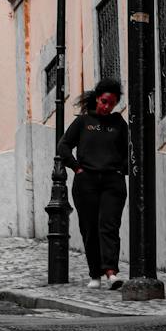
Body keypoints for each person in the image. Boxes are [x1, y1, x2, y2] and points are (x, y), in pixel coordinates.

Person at [57, 76, 129, 289]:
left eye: (112, 103)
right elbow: (63, 146)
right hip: (86, 182)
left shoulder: (118, 123)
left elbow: (129, 151)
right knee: (89, 228)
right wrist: (76, 168)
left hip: (112, 182)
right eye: (104, 101)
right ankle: (95, 274)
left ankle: (111, 272)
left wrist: (121, 169)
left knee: (109, 226)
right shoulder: (83, 122)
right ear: (97, 99)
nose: (108, 107)